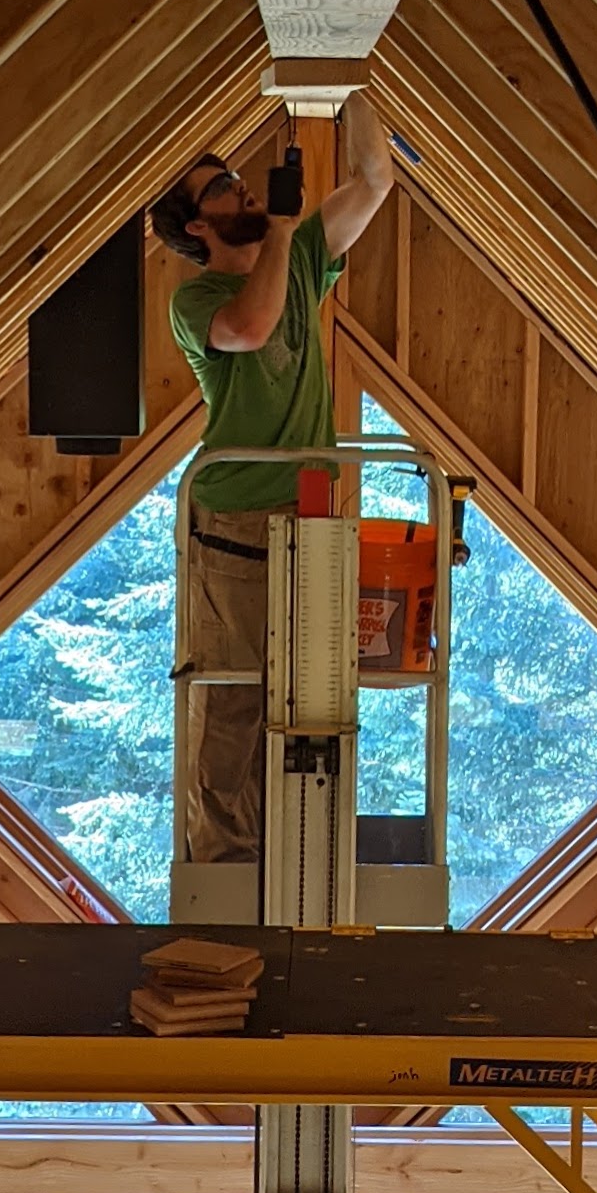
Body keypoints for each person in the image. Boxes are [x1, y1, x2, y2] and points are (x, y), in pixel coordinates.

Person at [151, 96, 396, 862]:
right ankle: (224, 871)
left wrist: (355, 88)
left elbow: (376, 178)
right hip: (234, 529)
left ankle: (301, 853)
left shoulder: (301, 254)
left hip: (309, 518)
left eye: (231, 175)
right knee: (235, 702)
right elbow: (251, 330)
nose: (237, 187)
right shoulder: (196, 300)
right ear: (197, 226)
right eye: (217, 188)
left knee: (310, 696)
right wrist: (286, 234)